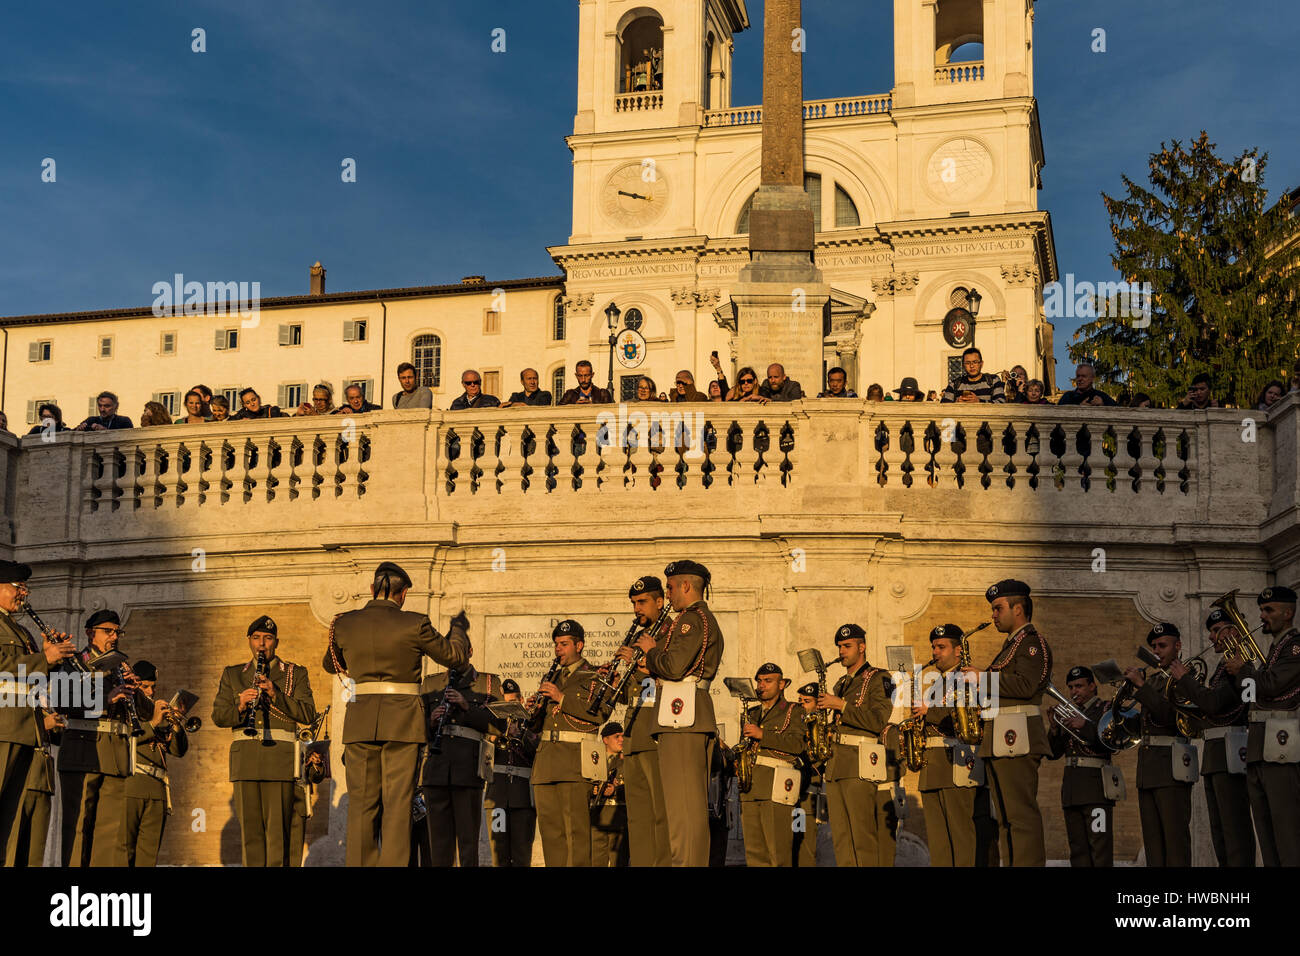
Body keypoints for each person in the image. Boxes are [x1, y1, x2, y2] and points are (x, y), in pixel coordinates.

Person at [324, 562, 470, 866]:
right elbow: (455, 658)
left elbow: (331, 664)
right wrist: (457, 630)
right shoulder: (415, 624)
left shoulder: (344, 624)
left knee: (362, 805)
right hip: (403, 724)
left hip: (361, 723)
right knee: (397, 804)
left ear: (371, 589)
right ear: (402, 594)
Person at [618, 560, 723, 867]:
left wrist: (650, 651)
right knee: (681, 813)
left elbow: (674, 667)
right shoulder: (692, 619)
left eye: (670, 586)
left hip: (683, 715)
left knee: (683, 815)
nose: (668, 593)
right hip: (679, 714)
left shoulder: (692, 618)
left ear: (686, 586)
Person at [212, 615, 316, 866]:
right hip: (245, 762)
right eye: (257, 638)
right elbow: (218, 717)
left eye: (268, 638)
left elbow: (308, 714)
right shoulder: (233, 674)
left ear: (276, 642)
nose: (262, 644)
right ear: (249, 641)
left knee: (277, 835)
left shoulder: (294, 673)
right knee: (251, 835)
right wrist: (239, 704)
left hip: (279, 761)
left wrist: (274, 693)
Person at [0, 563, 74, 858]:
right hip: (4, 726)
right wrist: (43, 658)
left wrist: (53, 659)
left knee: (7, 816)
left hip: (24, 729)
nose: (24, 593)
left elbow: (34, 681)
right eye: (18, 587)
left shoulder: (20, 630)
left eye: (24, 588)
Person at [1224, 585, 1300, 866]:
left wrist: (1243, 669)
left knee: (1287, 836)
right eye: (1261, 610)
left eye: (1269, 610)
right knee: (1267, 839)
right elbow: (1252, 695)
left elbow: (1269, 686)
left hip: (1280, 750)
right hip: (1259, 748)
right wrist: (1242, 673)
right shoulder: (1275, 650)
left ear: (1288, 613)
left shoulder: (1295, 647)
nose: (1262, 616)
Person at [976, 579, 1050, 866]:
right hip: (1002, 736)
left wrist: (982, 678)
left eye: (998, 608)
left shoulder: (1032, 644)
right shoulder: (1010, 647)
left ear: (1018, 609)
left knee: (1021, 816)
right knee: (1006, 818)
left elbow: (1026, 686)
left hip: (1017, 736)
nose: (993, 615)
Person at [1173, 608, 1254, 867]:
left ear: (1234, 632)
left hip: (1230, 750)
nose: (1211, 638)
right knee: (1220, 832)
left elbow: (1214, 703)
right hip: (1216, 753)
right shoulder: (1222, 668)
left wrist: (1185, 680)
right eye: (1211, 631)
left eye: (1217, 630)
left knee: (1235, 831)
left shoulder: (1240, 665)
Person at [528, 619, 612, 866]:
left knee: (576, 831)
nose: (558, 650)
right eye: (556, 644)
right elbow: (539, 725)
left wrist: (560, 697)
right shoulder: (553, 675)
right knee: (551, 833)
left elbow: (601, 713)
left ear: (579, 645)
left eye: (564, 644)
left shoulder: (596, 675)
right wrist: (533, 711)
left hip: (575, 760)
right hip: (546, 762)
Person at [54, 609, 134, 867]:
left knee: (108, 833)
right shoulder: (72, 663)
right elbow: (61, 701)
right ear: (90, 633)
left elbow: (142, 712)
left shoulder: (121, 666)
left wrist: (137, 689)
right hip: (82, 751)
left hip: (114, 755)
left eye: (117, 632)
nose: (114, 637)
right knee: (77, 828)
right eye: (107, 631)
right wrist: (105, 699)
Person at [817, 623, 898, 867]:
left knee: (863, 836)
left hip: (861, 762)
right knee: (841, 838)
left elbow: (877, 721)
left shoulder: (882, 678)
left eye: (847, 646)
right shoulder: (841, 683)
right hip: (836, 763)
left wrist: (840, 705)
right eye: (840, 647)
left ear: (861, 647)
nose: (841, 651)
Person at [1124, 622, 1195, 867]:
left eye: (1162, 645)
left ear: (1178, 646)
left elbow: (1171, 717)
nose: (1156, 651)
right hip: (1149, 769)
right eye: (1153, 646)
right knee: (1154, 845)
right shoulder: (1155, 681)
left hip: (1172, 767)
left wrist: (1141, 687)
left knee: (1175, 843)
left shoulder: (1188, 676)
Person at [416, 662, 500, 867]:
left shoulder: (487, 683)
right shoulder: (431, 683)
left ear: (469, 651)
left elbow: (499, 726)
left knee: (468, 843)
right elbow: (414, 729)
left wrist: (465, 705)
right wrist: (430, 723)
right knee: (439, 844)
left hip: (467, 771)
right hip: (436, 770)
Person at [915, 624, 983, 867]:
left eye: (941, 647)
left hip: (957, 759)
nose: (935, 652)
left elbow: (969, 713)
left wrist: (928, 711)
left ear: (958, 651)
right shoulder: (938, 682)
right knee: (938, 840)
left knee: (960, 833)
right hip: (933, 765)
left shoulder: (967, 676)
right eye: (933, 647)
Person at [617, 576, 671, 867]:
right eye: (634, 604)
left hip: (656, 732)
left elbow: (673, 676)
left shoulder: (669, 636)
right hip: (634, 733)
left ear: (659, 602)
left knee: (661, 813)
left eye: (642, 602)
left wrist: (644, 662)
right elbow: (636, 693)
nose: (637, 609)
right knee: (637, 815)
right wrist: (617, 678)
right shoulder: (640, 639)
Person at [1046, 665, 1116, 867]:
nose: (1074, 691)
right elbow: (1053, 754)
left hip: (1097, 792)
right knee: (1078, 850)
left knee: (1099, 848)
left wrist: (1084, 725)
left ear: (1093, 686)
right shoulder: (1068, 713)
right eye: (1070, 687)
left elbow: (1112, 743)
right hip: (1072, 790)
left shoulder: (1106, 708)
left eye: (1079, 686)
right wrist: (1053, 728)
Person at [119, 659, 187, 867]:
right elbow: (122, 740)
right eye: (144, 686)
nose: (150, 691)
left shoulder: (156, 712)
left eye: (153, 687)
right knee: (123, 853)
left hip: (157, 789)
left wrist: (175, 724)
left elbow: (179, 750)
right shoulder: (125, 709)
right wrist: (153, 723)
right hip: (131, 785)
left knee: (148, 858)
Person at [738, 662, 806, 867]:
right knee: (754, 853)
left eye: (768, 681)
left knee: (778, 852)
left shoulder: (794, 710)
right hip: (750, 785)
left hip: (776, 784)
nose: (762, 685)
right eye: (759, 681)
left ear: (782, 684)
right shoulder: (751, 713)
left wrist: (763, 735)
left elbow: (798, 744)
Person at [483, 679, 538, 866]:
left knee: (522, 851)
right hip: (497, 796)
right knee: (499, 851)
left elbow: (537, 751)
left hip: (522, 798)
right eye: (506, 704)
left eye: (513, 702)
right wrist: (491, 739)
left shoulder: (531, 724)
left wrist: (522, 735)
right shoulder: (493, 725)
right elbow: (483, 760)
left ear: (521, 700)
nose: (510, 707)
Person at [590, 722, 630, 866]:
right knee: (596, 862)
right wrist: (592, 790)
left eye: (622, 736)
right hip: (597, 819)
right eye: (616, 736)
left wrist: (615, 790)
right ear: (605, 740)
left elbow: (636, 788)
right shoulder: (594, 761)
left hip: (619, 819)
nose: (621, 740)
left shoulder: (628, 761)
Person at [941, 349, 1005, 403]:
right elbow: (943, 406)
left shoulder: (993, 380)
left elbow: (1001, 402)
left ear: (981, 364)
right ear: (963, 366)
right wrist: (957, 403)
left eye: (975, 362)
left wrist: (979, 401)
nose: (971, 366)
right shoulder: (954, 384)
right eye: (968, 363)